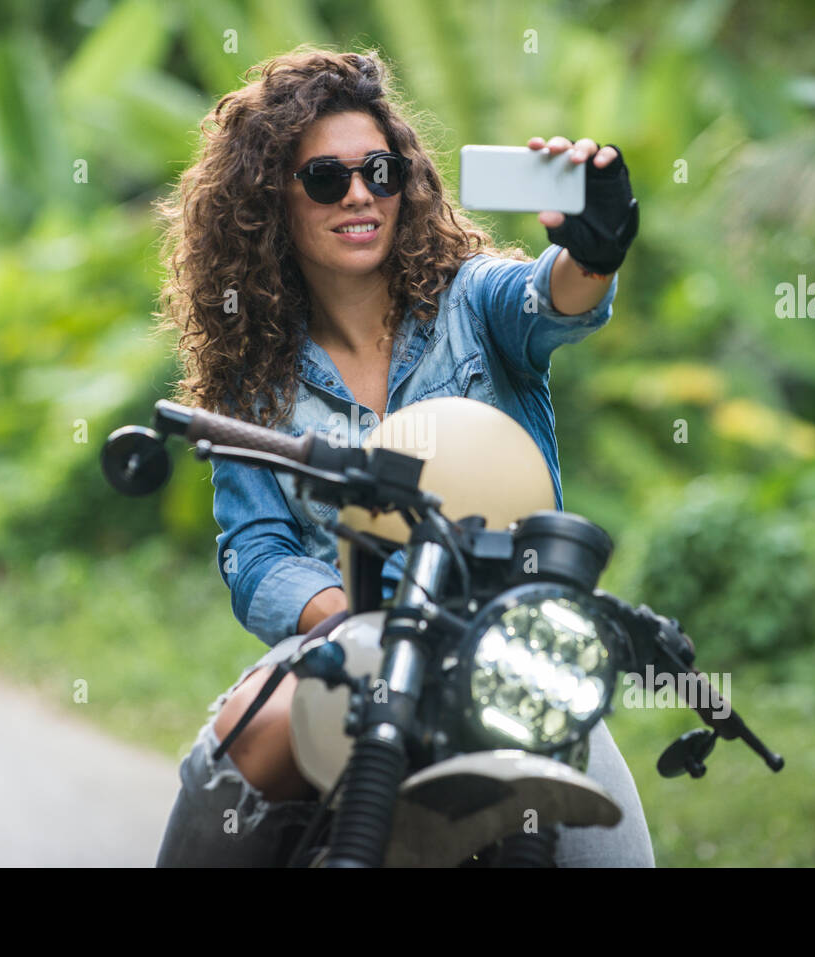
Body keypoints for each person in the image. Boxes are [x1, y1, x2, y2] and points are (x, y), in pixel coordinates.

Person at [153, 46, 651, 867]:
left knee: (610, 842)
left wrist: (595, 253)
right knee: (246, 739)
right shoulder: (250, 376)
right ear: (268, 203)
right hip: (348, 637)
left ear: (404, 182)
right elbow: (258, 552)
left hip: (507, 644)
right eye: (325, 179)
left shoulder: (473, 301)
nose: (358, 194)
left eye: (379, 172)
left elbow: (550, 299)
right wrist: (362, 627)